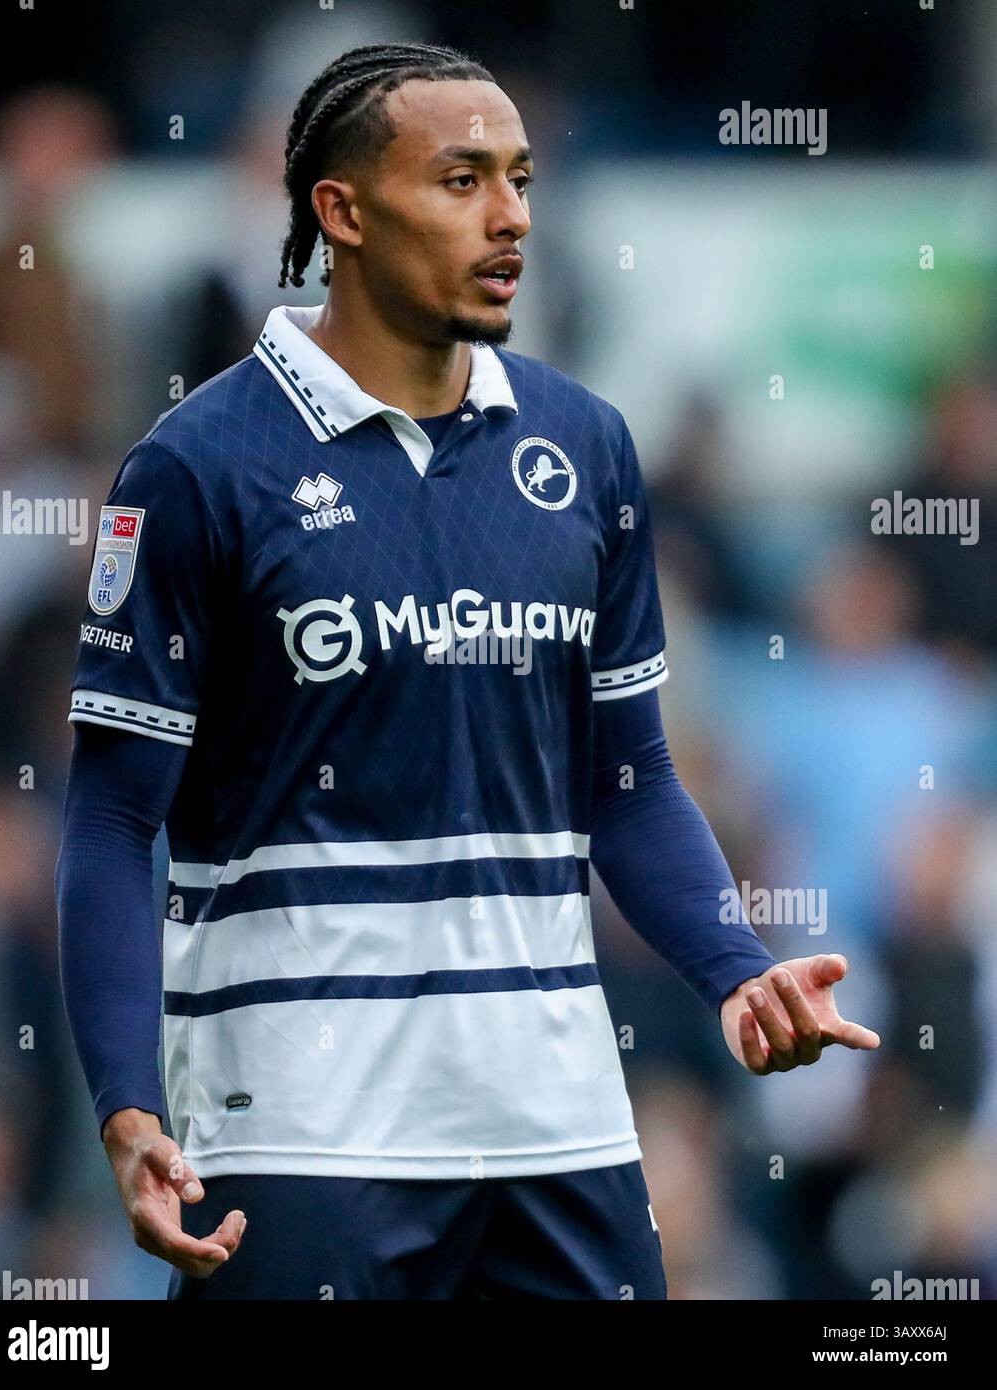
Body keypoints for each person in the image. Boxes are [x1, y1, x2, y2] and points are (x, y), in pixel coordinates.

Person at [55, 41, 880, 1301]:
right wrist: (124, 1104)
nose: (511, 218)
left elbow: (629, 775)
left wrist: (733, 962)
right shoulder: (199, 468)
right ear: (342, 212)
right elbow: (114, 818)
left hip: (558, 1128)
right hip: (301, 1131)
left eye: (520, 178)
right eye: (460, 180)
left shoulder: (583, 446)